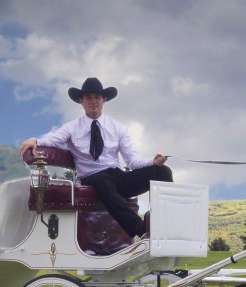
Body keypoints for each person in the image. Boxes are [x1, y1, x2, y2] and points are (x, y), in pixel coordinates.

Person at [19, 77, 172, 238]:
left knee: (163, 171)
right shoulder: (71, 128)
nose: (93, 101)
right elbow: (53, 139)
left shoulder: (118, 128)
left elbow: (133, 162)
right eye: (88, 98)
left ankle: (166, 225)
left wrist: (153, 161)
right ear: (81, 101)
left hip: (117, 177)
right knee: (102, 180)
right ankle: (141, 230)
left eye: (97, 97)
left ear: (104, 100)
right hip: (91, 178)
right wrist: (35, 140)